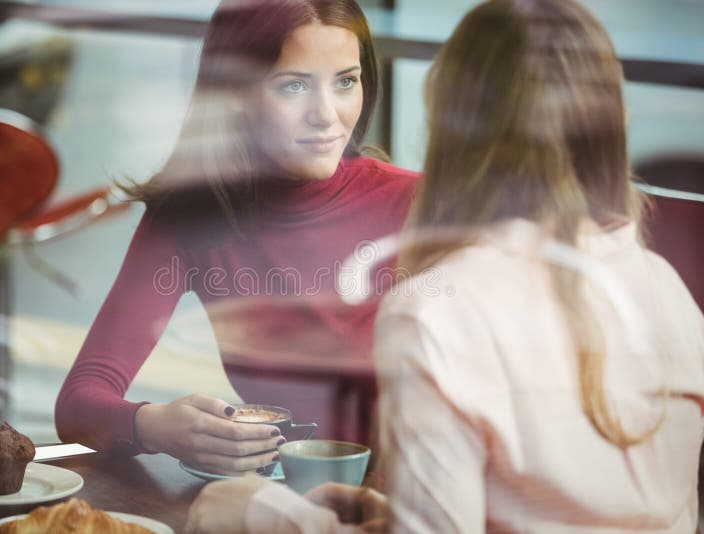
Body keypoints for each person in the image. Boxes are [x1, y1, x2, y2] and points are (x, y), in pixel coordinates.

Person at [183, 0, 704, 531]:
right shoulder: (665, 288)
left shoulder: (435, 315)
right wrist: (389, 519)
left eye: (346, 81)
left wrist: (264, 513)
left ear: (453, 125)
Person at [55, 0, 418, 475]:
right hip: (287, 498)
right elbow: (79, 402)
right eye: (294, 85)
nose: (326, 115)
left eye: (346, 81)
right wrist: (155, 425)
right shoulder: (188, 219)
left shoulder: (418, 203)